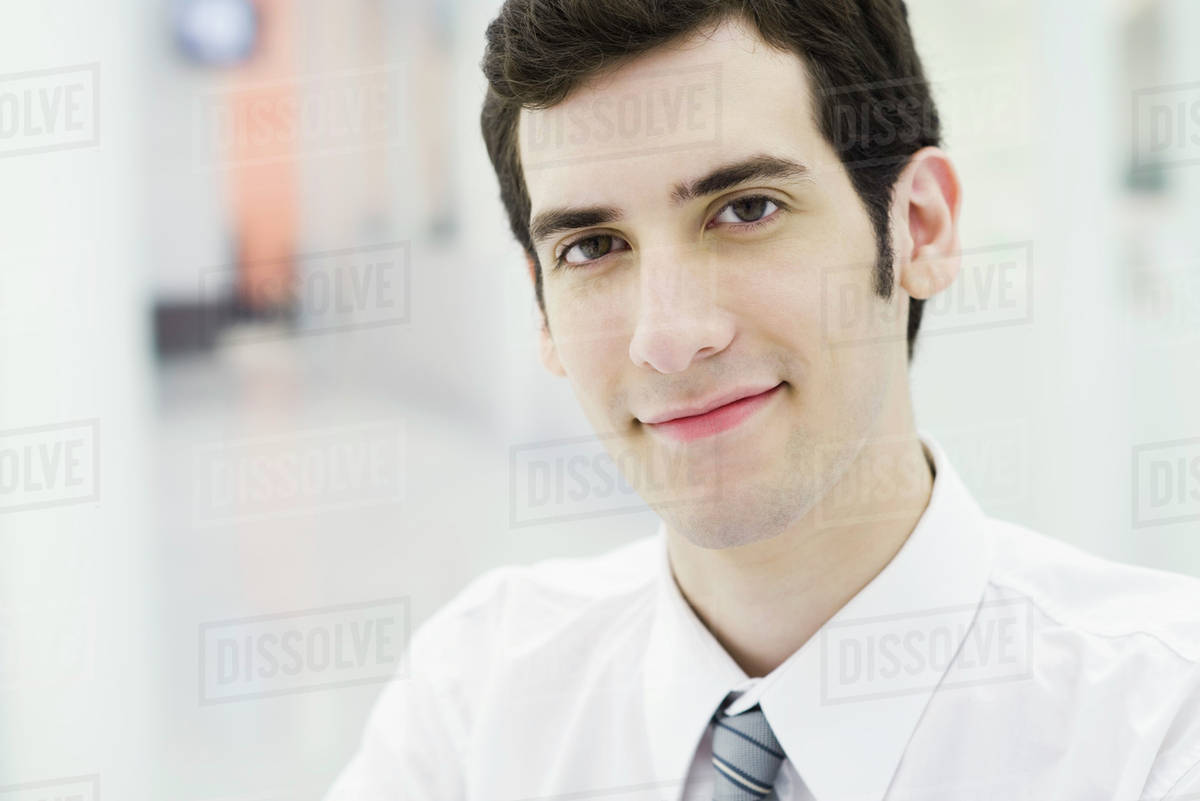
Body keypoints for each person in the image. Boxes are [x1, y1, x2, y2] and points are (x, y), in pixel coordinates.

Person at [325, 1, 1200, 798]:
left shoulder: (1156, 727)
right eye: (593, 247)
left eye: (746, 209)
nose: (666, 337)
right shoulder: (474, 697)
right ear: (542, 309)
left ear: (920, 228)